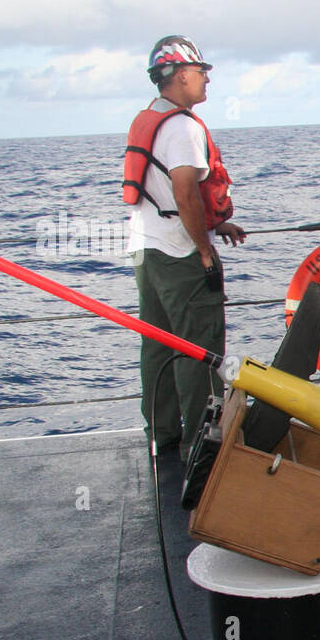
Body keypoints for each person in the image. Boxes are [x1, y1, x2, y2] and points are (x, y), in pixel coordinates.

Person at [123, 35, 246, 459]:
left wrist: (217, 224)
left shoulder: (150, 118)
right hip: (180, 254)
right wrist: (205, 249)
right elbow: (184, 194)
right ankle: (202, 443)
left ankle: (161, 433)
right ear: (178, 77)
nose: (207, 81)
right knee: (199, 349)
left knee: (156, 344)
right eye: (200, 73)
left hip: (146, 250)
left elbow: (160, 192)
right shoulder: (183, 127)